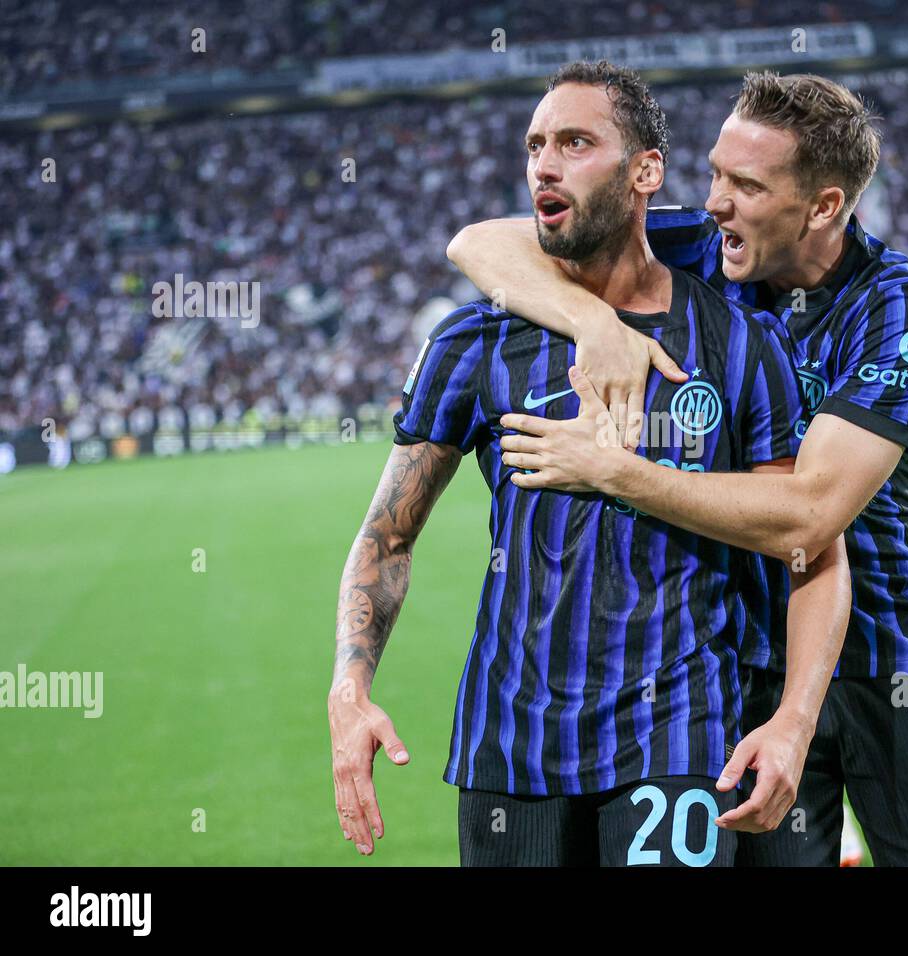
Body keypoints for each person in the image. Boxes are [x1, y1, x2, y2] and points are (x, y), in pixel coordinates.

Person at [447, 71, 908, 866]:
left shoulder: (895, 309)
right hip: (752, 659)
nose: (714, 201)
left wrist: (612, 470)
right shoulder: (712, 248)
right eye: (715, 172)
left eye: (744, 184)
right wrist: (591, 323)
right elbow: (480, 241)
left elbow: (810, 515)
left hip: (893, 653)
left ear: (822, 207)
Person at [327, 60, 850, 866]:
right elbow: (384, 540)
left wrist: (793, 721)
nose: (543, 162)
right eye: (535, 144)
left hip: (679, 733)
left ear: (646, 172)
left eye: (575, 142)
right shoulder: (475, 343)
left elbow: (809, 548)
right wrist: (349, 689)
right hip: (511, 742)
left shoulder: (741, 344)